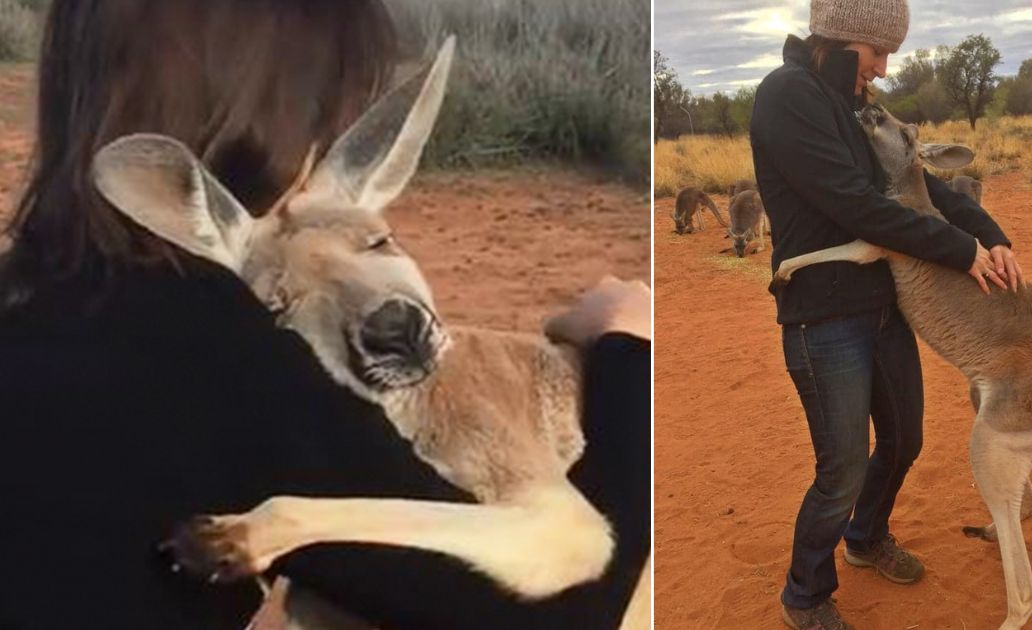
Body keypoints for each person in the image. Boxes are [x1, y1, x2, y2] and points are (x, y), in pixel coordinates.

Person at [0, 1, 649, 628]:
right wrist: (629, 349)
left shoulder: (26, 292)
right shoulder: (235, 359)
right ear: (270, 126)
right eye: (320, 116)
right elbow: (571, 607)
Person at [749, 1, 1026, 628]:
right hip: (822, 317)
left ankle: (867, 538)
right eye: (876, 55)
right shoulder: (787, 96)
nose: (878, 71)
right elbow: (856, 205)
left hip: (882, 306)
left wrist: (990, 233)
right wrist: (961, 252)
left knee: (904, 439)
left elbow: (913, 185)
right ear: (845, 42)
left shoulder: (850, 106)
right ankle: (807, 595)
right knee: (842, 466)